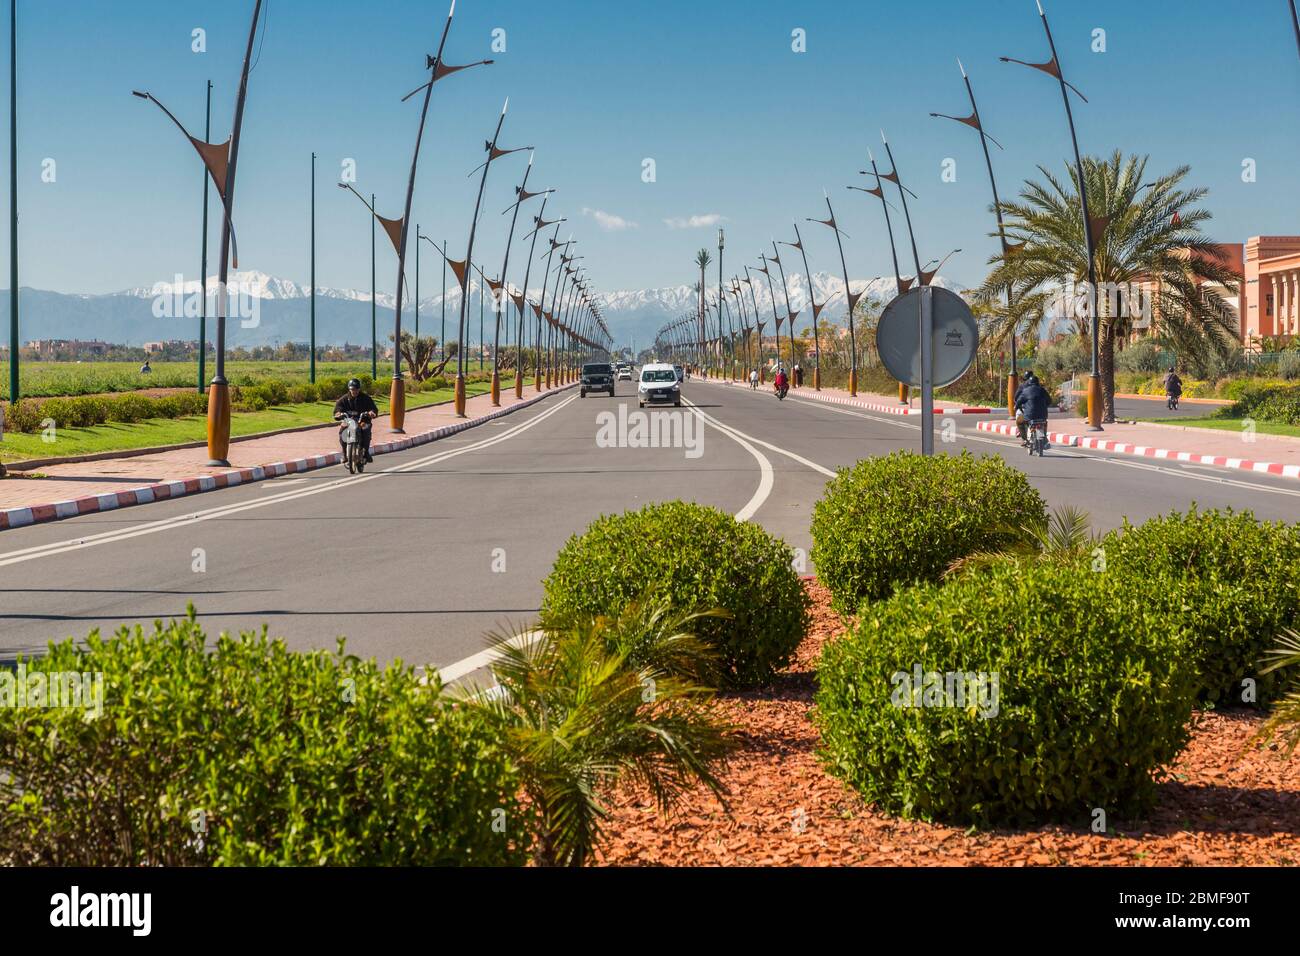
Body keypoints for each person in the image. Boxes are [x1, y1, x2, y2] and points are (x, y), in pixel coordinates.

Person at [333, 378, 379, 463]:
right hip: (349, 421)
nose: (354, 391)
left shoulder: (366, 398)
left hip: (363, 420)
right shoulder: (344, 399)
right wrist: (338, 414)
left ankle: (366, 452)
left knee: (366, 430)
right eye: (352, 389)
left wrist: (371, 412)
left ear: (359, 389)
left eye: (356, 389)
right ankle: (344, 453)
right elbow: (337, 409)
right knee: (342, 431)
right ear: (349, 389)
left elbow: (373, 409)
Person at [1014, 374, 1051, 449]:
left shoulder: (1025, 391)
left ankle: (1025, 440)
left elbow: (1018, 401)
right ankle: (1045, 440)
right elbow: (1049, 400)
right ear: (1038, 382)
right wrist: (1045, 406)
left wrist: (1016, 407)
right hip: (1043, 415)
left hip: (1029, 416)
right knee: (1044, 423)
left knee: (1019, 422)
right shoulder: (1042, 390)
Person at [1013, 371, 1039, 443]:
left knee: (1019, 420)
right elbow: (1048, 400)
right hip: (1041, 413)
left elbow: (1016, 398)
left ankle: (1024, 438)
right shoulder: (1040, 388)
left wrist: (1017, 405)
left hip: (1026, 410)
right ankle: (1045, 439)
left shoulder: (1023, 387)